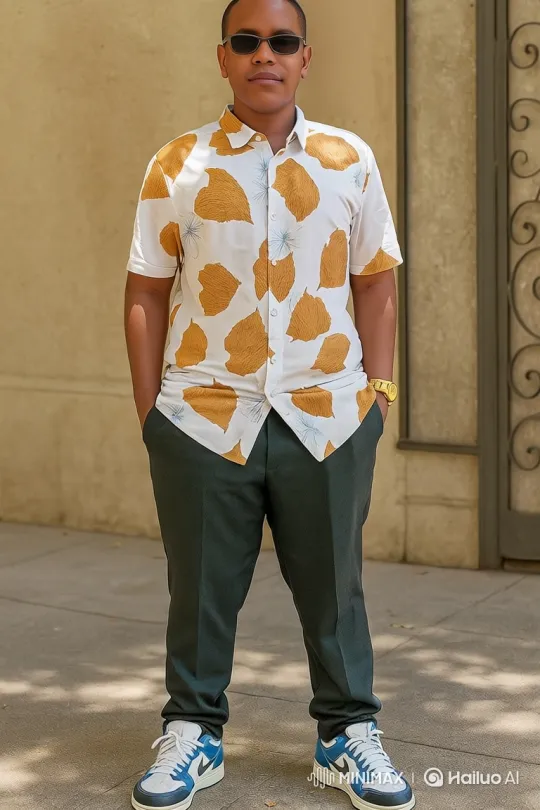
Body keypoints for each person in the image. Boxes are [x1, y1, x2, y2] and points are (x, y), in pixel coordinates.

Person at [124, 0, 414, 808]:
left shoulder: (348, 159)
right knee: (201, 588)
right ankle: (193, 734)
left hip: (327, 418)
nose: (265, 55)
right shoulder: (177, 165)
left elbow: (377, 280)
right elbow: (146, 290)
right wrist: (153, 414)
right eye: (246, 42)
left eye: (281, 42)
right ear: (223, 57)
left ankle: (347, 737)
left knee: (336, 589)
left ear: (305, 58)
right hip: (202, 418)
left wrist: (378, 397)